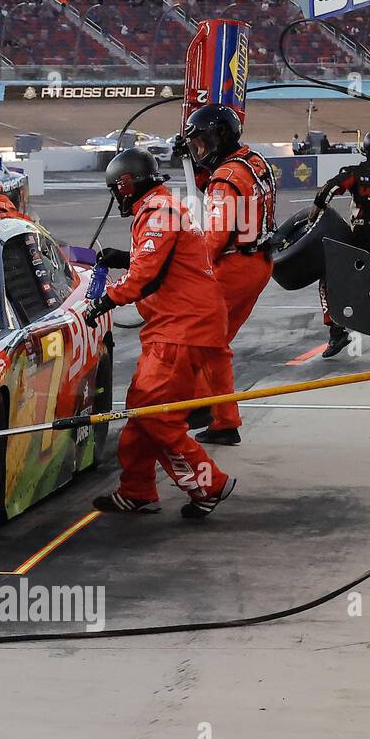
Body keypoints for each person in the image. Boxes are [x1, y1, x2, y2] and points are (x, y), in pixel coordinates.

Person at [84, 149, 236, 519]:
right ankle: (136, 490)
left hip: (181, 329)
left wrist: (103, 301)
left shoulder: (157, 213)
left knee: (155, 414)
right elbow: (158, 261)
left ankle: (209, 484)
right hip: (178, 326)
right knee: (141, 411)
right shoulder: (160, 207)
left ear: (126, 185)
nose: (116, 198)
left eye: (116, 191)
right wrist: (124, 257)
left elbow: (144, 277)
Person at [179, 104, 276, 445]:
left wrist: (181, 267)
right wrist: (193, 164)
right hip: (260, 264)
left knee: (197, 339)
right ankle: (213, 412)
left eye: (201, 143)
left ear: (219, 136)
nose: (198, 150)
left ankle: (210, 413)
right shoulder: (254, 162)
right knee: (213, 343)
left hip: (232, 269)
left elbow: (214, 239)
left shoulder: (225, 181)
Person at [312, 129, 370, 357]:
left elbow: (329, 189)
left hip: (363, 241)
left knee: (329, 277)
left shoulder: (356, 172)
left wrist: (315, 212)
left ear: (365, 149)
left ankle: (336, 333)